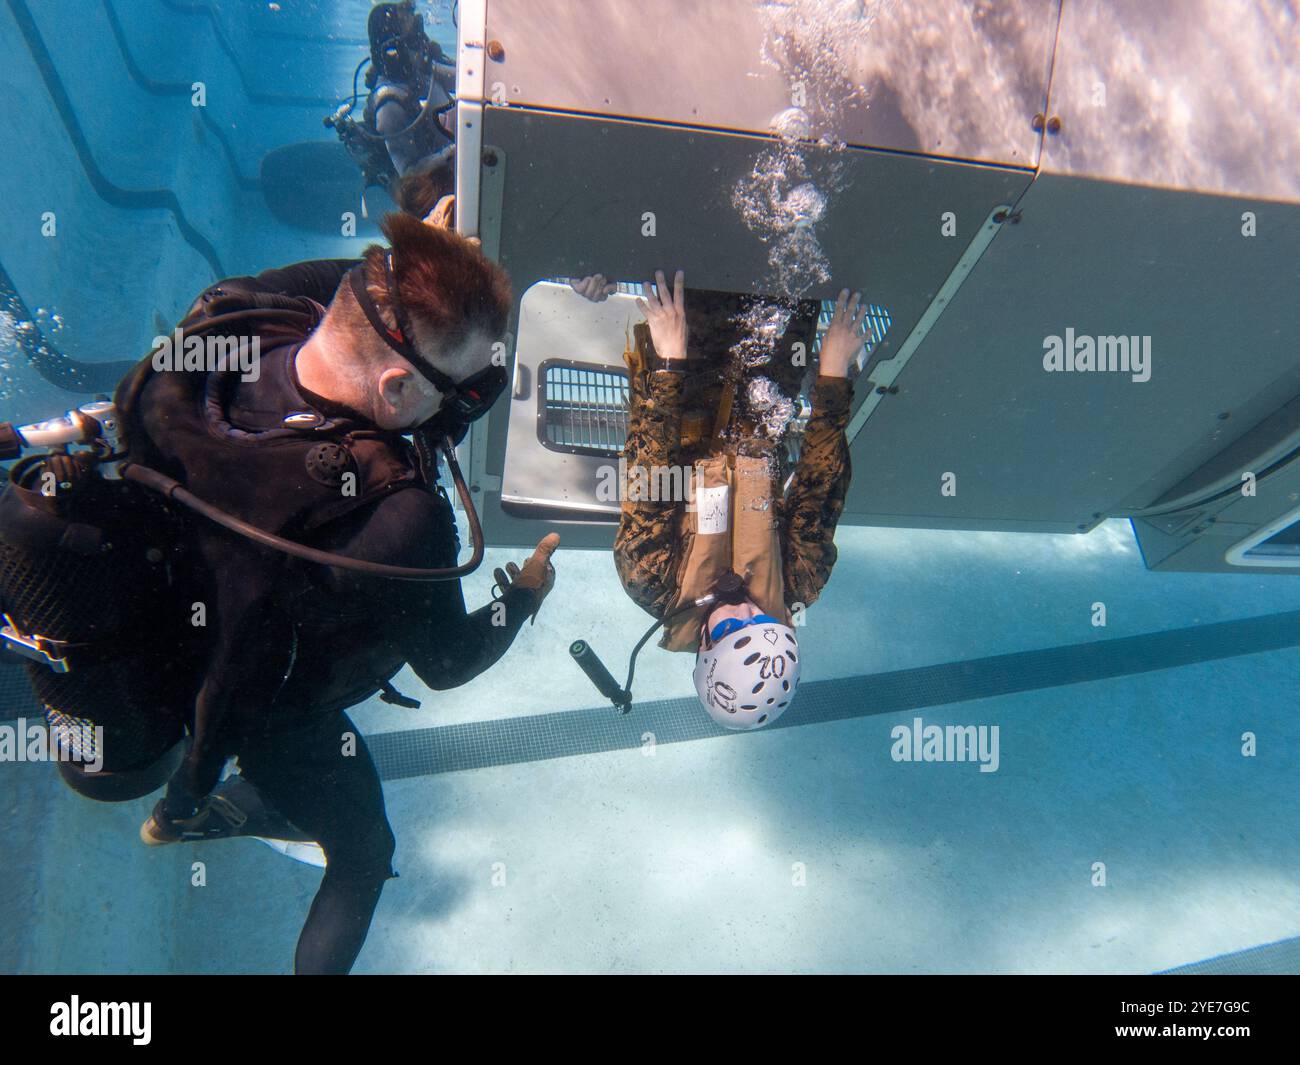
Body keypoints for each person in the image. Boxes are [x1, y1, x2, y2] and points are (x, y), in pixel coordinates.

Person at [120, 210, 560, 974]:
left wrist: (407, 266)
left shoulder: (230, 326)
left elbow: (344, 288)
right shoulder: (401, 518)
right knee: (363, 854)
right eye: (451, 391)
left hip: (171, 635)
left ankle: (203, 800)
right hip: (275, 713)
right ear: (395, 387)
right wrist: (522, 594)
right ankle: (211, 802)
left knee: (276, 763)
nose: (461, 404)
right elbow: (448, 663)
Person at [612, 269, 864, 729]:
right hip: (763, 402)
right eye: (764, 622)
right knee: (791, 271)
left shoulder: (650, 579)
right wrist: (832, 376)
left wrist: (669, 363)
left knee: (695, 261)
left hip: (682, 387)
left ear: (704, 649)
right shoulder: (798, 585)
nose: (746, 609)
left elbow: (651, 474)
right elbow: (821, 487)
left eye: (731, 629)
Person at [326, 0, 459, 218]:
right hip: (436, 203)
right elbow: (409, 174)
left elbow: (466, 82)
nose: (422, 45)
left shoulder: (418, 74)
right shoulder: (389, 104)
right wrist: (457, 149)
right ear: (394, 51)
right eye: (414, 41)